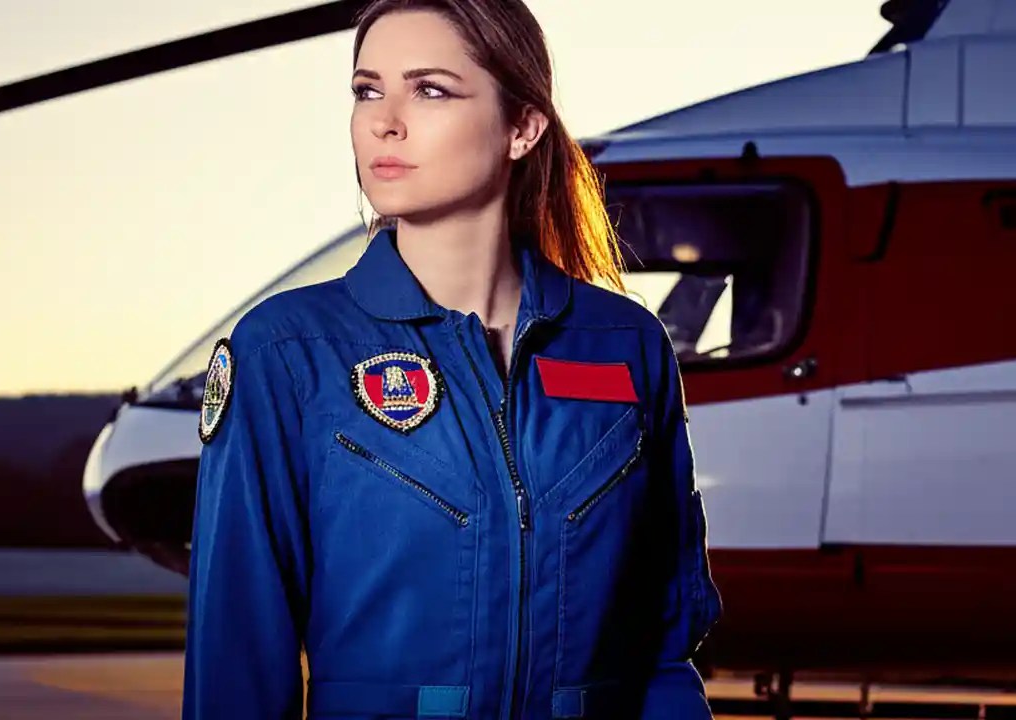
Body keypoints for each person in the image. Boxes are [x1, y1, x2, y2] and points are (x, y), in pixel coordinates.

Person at [181, 1, 723, 718]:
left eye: (429, 89)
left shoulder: (626, 345)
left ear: (522, 128)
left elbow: (663, 649)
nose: (384, 120)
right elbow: (236, 665)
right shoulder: (286, 352)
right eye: (367, 90)